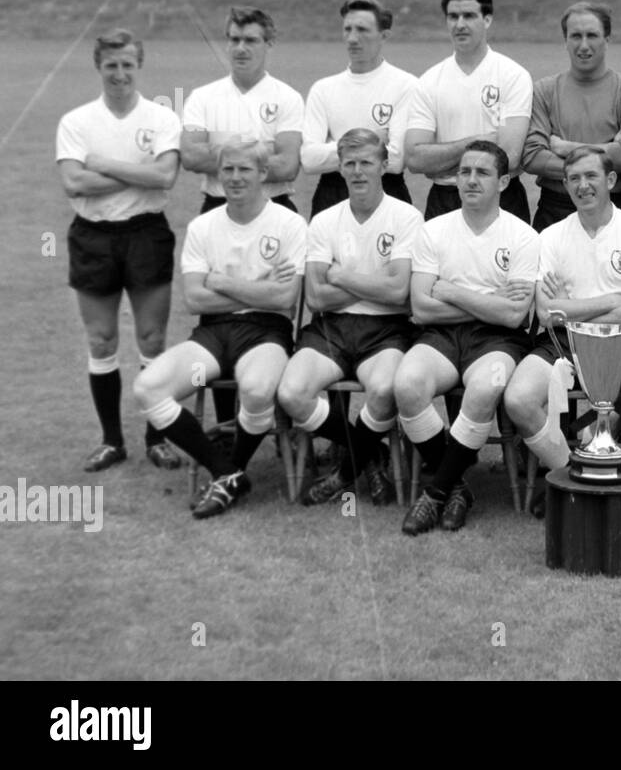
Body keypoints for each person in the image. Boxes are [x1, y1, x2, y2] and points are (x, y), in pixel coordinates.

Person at [133, 140, 306, 518]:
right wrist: (259, 287)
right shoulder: (202, 226)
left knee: (258, 389)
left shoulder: (290, 224)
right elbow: (195, 301)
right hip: (211, 333)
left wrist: (222, 282)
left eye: (244, 169)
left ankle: (228, 474)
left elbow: (284, 300)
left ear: (263, 174)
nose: (234, 177)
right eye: (227, 169)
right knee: (148, 388)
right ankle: (226, 473)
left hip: (266, 332)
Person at [395, 141, 540, 534]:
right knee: (407, 386)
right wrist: (488, 299)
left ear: (504, 181)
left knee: (483, 391)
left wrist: (455, 292)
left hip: (497, 341)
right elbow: (421, 308)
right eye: (465, 172)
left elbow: (514, 317)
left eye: (482, 172)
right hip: (440, 335)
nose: (471, 180)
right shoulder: (433, 231)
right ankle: (457, 488)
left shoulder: (524, 236)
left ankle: (436, 493)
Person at [56, 29, 183, 472]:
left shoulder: (161, 118)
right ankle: (112, 440)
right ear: (98, 66)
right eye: (112, 65)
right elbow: (74, 182)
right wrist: (139, 173)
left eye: (128, 64)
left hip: (146, 233)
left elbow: (166, 177)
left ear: (139, 64)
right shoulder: (76, 122)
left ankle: (157, 439)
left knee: (151, 340)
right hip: (93, 236)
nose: (120, 73)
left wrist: (105, 165)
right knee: (102, 339)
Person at [502, 146, 621, 513]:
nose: (583, 186)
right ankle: (573, 474)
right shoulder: (551, 237)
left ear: (611, 180)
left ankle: (589, 470)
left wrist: (571, 309)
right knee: (518, 400)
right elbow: (546, 314)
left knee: (595, 428)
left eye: (591, 177)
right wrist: (611, 300)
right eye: (574, 179)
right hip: (561, 343)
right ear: (565, 185)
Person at [276, 129, 422, 507]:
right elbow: (315, 296)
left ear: (384, 165)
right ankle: (369, 457)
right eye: (350, 164)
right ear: (340, 168)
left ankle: (344, 472)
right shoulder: (324, 220)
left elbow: (399, 294)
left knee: (385, 389)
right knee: (291, 392)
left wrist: (341, 276)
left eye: (367, 163)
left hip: (386, 331)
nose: (358, 172)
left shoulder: (406, 217)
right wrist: (374, 284)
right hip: (331, 329)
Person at [405, 0, 533, 223]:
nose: (460, 24)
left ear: (487, 19)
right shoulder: (429, 81)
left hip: (502, 197)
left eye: (469, 16)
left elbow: (509, 156)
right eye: (453, 17)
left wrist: (441, 159)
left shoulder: (512, 75)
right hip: (445, 199)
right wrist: (480, 141)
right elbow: (414, 158)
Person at [521, 2, 621, 231]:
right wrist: (604, 157)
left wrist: (565, 148)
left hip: (616, 208)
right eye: (576, 36)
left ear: (607, 39)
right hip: (556, 209)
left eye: (592, 35)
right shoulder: (544, 91)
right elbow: (533, 156)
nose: (583, 45)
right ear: (565, 40)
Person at [301, 0, 418, 217]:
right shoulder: (323, 89)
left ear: (384, 35)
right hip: (332, 194)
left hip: (388, 193)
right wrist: (373, 139)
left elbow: (396, 160)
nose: (353, 38)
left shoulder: (406, 85)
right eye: (348, 29)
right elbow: (309, 159)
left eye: (362, 30)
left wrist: (334, 147)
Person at [180, 7, 304, 213]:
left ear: (269, 43)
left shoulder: (288, 98)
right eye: (234, 40)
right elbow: (191, 156)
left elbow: (287, 166)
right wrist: (263, 154)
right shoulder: (202, 97)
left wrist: (218, 153)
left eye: (250, 40)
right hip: (217, 206)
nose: (240, 48)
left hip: (274, 208)